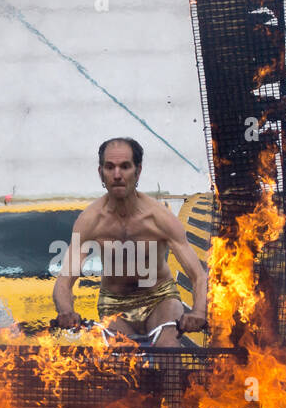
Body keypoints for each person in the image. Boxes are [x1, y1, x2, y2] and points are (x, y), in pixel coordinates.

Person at [53, 137, 208, 346]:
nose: (117, 175)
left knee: (168, 351)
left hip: (159, 298)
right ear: (101, 173)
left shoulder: (158, 217)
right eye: (110, 167)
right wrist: (66, 311)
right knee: (120, 363)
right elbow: (64, 282)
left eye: (125, 166)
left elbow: (198, 275)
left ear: (138, 171)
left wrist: (198, 311)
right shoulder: (90, 220)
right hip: (114, 305)